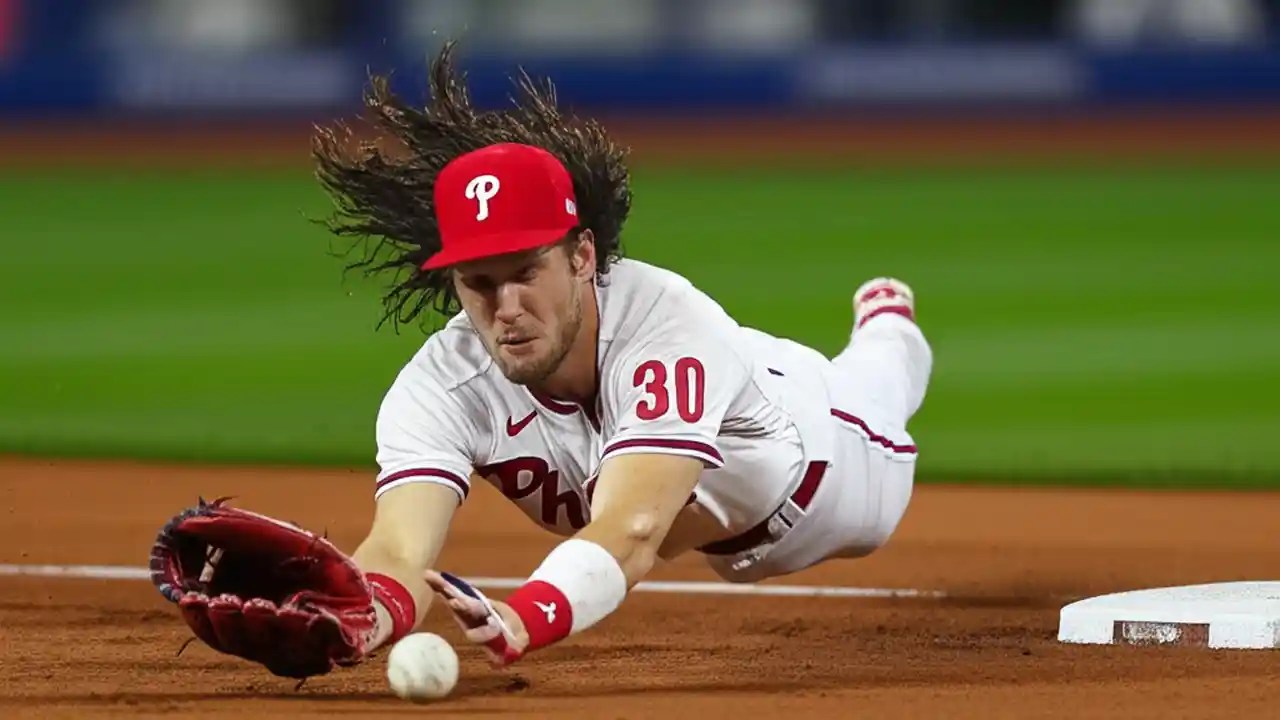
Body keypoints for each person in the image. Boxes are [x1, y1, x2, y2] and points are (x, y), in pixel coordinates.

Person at [148, 42, 933, 677]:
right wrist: (363, 609)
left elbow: (634, 528)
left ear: (583, 254)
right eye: (478, 282)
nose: (505, 306)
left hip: (831, 469)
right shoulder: (442, 384)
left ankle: (887, 321)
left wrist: (525, 615)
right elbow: (399, 547)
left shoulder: (667, 323)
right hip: (727, 529)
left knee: (882, 373)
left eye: (526, 271)